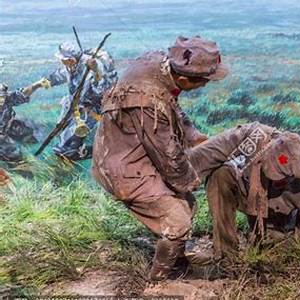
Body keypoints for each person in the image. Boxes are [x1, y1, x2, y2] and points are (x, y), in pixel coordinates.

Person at [91, 36, 228, 281]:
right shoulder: (148, 102)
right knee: (178, 220)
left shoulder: (160, 65)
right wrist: (191, 180)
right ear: (185, 79)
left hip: (132, 148)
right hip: (123, 167)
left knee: (186, 204)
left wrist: (193, 135)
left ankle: (178, 261)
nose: (205, 85)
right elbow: (170, 159)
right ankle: (159, 281)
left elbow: (172, 105)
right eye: (203, 81)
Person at [186, 122, 300, 261]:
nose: (280, 181)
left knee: (272, 252)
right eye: (277, 176)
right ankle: (226, 254)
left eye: (284, 178)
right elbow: (202, 156)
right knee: (220, 174)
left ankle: (272, 235)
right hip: (246, 191)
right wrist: (174, 182)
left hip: (277, 211)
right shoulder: (252, 136)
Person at [27, 42, 117, 160]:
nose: (62, 62)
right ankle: (68, 149)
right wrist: (37, 85)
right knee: (63, 135)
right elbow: (57, 76)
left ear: (71, 59)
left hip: (91, 108)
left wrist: (95, 71)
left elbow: (101, 90)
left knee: (72, 142)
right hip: (74, 105)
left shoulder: (91, 67)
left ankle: (91, 151)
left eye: (63, 59)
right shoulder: (70, 67)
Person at [0, 83, 39, 161]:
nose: (2, 100)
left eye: (3, 96)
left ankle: (29, 144)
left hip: (6, 128)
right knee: (11, 151)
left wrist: (36, 85)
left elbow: (21, 94)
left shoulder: (8, 99)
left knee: (23, 129)